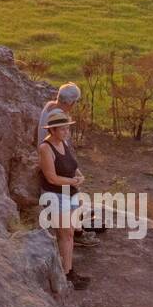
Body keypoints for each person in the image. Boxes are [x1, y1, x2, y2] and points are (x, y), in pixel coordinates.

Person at [38, 108, 90, 290]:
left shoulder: (63, 143)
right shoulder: (46, 148)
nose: (66, 132)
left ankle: (69, 270)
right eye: (62, 129)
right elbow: (51, 177)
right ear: (51, 130)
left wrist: (79, 176)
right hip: (56, 195)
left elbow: (72, 166)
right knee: (65, 234)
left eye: (67, 128)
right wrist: (73, 181)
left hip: (71, 192)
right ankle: (67, 274)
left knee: (69, 235)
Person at [35, 82, 81, 147]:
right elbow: (63, 146)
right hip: (52, 154)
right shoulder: (59, 117)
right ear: (71, 102)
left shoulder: (49, 105)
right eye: (76, 101)